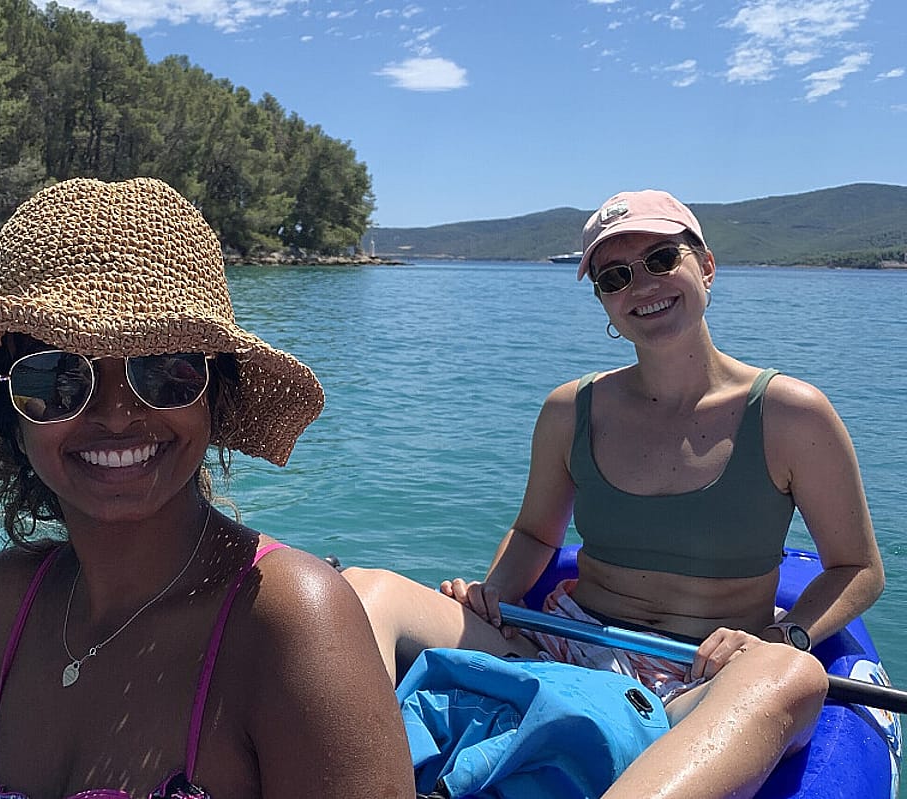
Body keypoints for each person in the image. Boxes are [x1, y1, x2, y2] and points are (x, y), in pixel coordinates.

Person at [0, 177, 414, 799]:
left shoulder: (289, 620)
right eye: (58, 376)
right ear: (8, 411)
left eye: (165, 373)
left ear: (214, 395)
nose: (118, 415)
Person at [345, 189, 884, 798]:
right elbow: (534, 534)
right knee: (369, 591)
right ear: (603, 300)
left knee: (792, 675)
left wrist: (783, 637)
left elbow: (857, 568)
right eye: (616, 276)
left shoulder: (793, 414)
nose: (643, 285)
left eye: (662, 259)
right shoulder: (570, 410)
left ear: (705, 265)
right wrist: (494, 593)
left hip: (701, 676)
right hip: (562, 641)